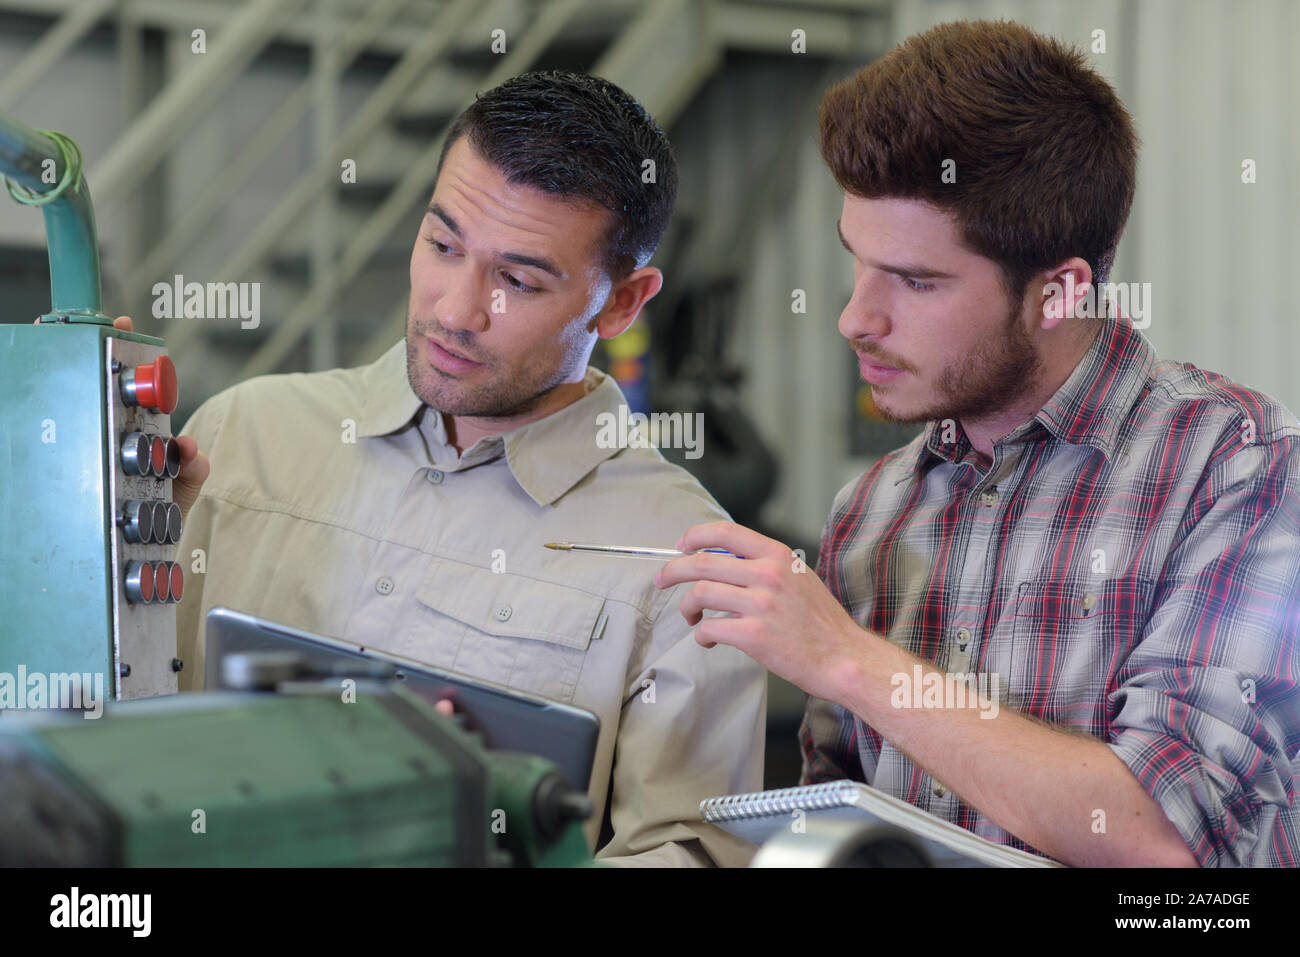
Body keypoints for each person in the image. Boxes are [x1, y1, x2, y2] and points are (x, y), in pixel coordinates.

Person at [655, 20, 1300, 867]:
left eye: (918, 282)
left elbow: (1162, 841)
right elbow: (838, 831)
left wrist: (845, 659)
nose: (857, 319)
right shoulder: (874, 509)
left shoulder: (1236, 466)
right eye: (859, 262)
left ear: (1059, 292)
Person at [168, 71, 766, 866]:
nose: (454, 309)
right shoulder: (245, 433)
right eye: (443, 244)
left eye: (516, 280)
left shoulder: (685, 559)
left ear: (621, 304)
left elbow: (692, 850)